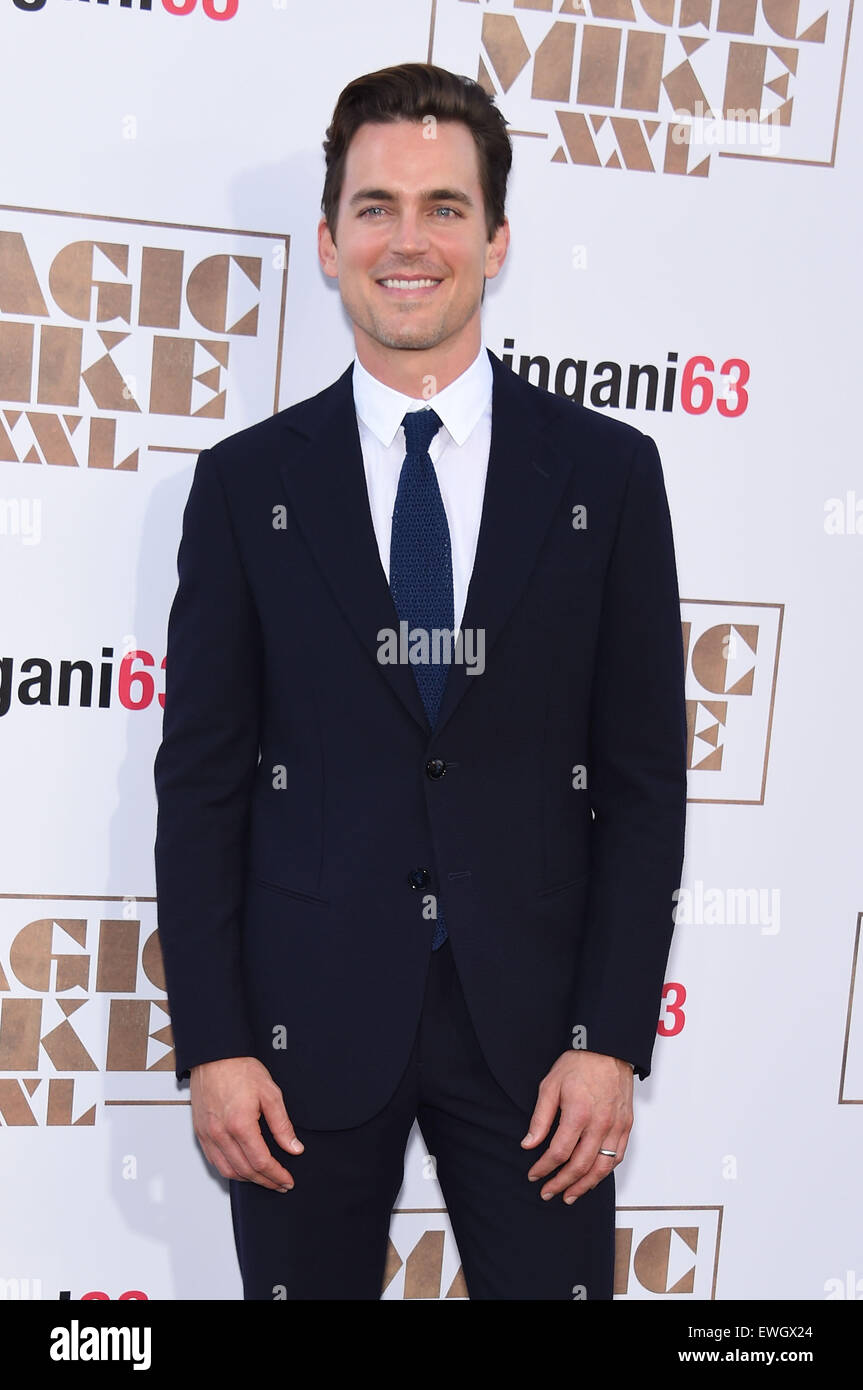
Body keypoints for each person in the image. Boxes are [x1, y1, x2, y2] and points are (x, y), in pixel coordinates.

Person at [153, 61, 687, 1301]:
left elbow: (644, 784)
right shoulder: (243, 487)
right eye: (377, 206)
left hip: (540, 1045)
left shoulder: (607, 475)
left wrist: (610, 1040)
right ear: (330, 238)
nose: (410, 240)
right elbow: (202, 784)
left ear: (496, 240)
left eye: (444, 207)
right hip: (298, 1044)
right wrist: (216, 1046)